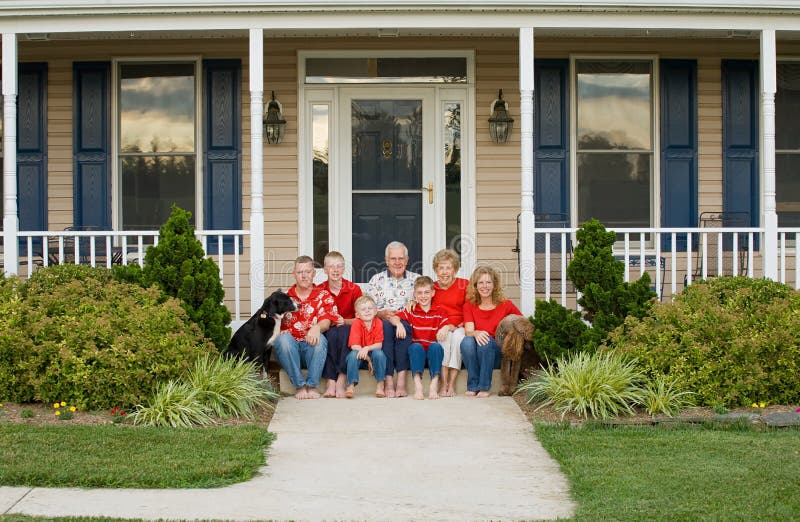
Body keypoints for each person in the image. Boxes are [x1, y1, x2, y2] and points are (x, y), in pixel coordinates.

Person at [274, 255, 341, 399]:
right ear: (294, 274)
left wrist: (316, 328)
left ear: (314, 274)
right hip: (289, 351)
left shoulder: (324, 296)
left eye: (308, 272)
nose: (304, 276)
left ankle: (312, 385)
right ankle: (299, 386)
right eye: (299, 272)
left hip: (312, 351)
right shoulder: (284, 297)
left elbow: (327, 321)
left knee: (320, 340)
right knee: (283, 340)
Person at [366, 241, 420, 398]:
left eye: (401, 258)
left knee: (402, 326)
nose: (397, 262)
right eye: (393, 258)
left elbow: (426, 302)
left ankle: (401, 380)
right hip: (382, 321)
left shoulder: (416, 279)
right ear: (386, 260)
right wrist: (381, 313)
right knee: (387, 327)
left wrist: (415, 302)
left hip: (407, 322)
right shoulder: (376, 280)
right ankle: (389, 380)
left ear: (407, 259)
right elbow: (367, 307)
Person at [460, 265, 522, 398]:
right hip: (477, 352)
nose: (485, 286)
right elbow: (469, 331)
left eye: (489, 282)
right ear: (475, 286)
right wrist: (477, 333)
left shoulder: (506, 305)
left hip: (496, 354)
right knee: (467, 341)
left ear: (494, 285)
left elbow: (522, 323)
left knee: (485, 341)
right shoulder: (469, 305)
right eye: (481, 283)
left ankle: (484, 386)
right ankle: (473, 385)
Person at [389, 276, 449, 400]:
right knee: (415, 347)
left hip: (433, 354)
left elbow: (447, 325)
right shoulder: (412, 310)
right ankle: (418, 386)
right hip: (416, 355)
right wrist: (399, 324)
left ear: (433, 293)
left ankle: (433, 385)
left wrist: (445, 328)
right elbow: (393, 317)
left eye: (427, 292)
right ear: (415, 294)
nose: (423, 296)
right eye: (419, 293)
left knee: (436, 346)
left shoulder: (440, 311)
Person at [318, 251, 363, 398]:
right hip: (328, 329)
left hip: (349, 330)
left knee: (344, 332)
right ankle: (331, 381)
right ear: (325, 270)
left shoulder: (354, 289)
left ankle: (341, 379)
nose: (335, 270)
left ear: (344, 269)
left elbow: (363, 318)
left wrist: (345, 321)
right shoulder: (319, 290)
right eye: (331, 267)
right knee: (331, 334)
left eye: (339, 266)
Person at [430, 249, 469, 397]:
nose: (445, 272)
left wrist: (462, 324)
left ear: (455, 270)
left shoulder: (464, 285)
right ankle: (444, 383)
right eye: (441, 268)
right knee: (445, 340)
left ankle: (451, 384)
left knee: (458, 338)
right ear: (436, 270)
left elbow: (472, 307)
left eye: (449, 267)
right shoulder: (432, 288)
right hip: (442, 327)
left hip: (460, 325)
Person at [345, 295, 388, 398]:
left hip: (373, 353)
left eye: (370, 308)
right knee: (352, 355)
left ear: (375, 311)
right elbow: (354, 346)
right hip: (360, 354)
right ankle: (350, 385)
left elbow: (379, 345)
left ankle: (380, 384)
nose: (367, 311)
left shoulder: (378, 322)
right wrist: (369, 360)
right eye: (363, 309)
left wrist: (367, 348)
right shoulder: (357, 323)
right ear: (357, 315)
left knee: (379, 354)